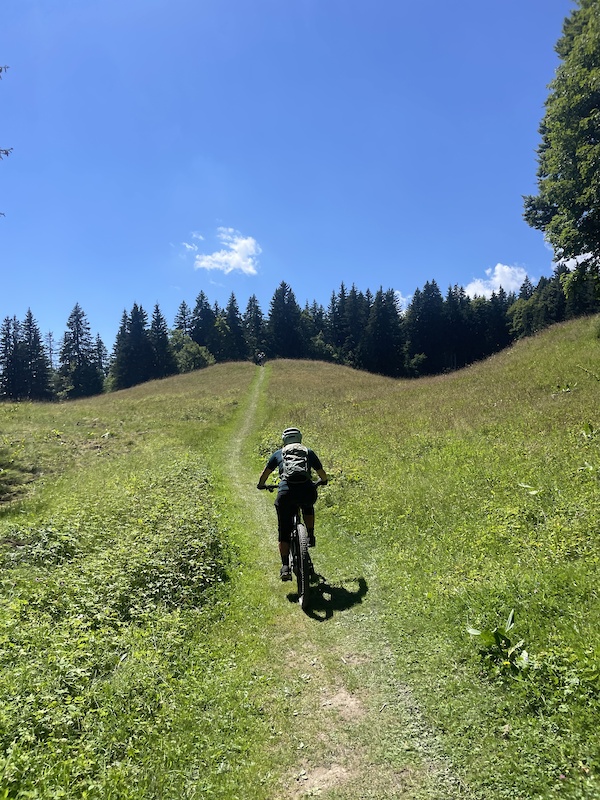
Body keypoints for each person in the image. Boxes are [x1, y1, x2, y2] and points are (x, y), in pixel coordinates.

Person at [257, 427, 328, 581]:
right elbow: (321, 472)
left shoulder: (278, 454)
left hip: (286, 493)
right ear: (300, 439)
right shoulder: (308, 452)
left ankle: (285, 567)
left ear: (284, 440)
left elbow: (265, 474)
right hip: (306, 491)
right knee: (307, 505)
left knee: (284, 529)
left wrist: (261, 485)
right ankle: (310, 535)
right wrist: (323, 481)